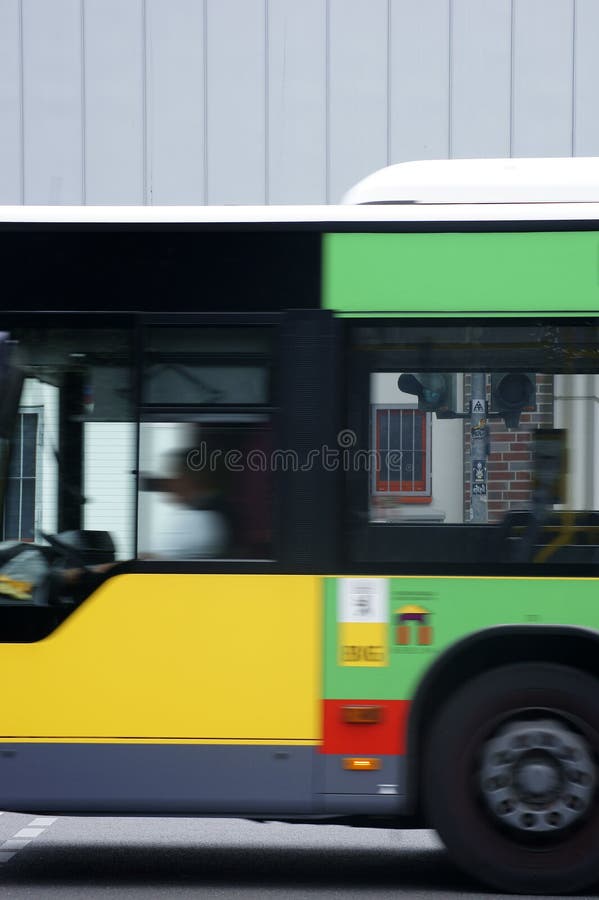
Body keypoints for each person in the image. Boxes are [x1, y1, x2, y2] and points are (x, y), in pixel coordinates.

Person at [141, 449, 231, 559]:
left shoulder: (208, 518)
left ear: (193, 478)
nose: (169, 483)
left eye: (176, 475)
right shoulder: (201, 511)